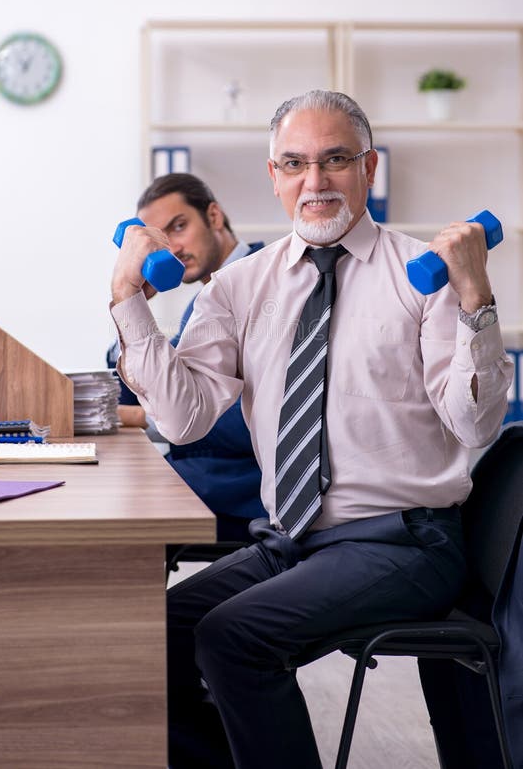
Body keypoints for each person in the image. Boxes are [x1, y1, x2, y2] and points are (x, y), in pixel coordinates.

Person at [109, 90, 513, 769]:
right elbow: (181, 420)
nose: (315, 182)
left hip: (401, 541)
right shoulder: (236, 288)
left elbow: (474, 421)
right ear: (273, 176)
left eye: (334, 161)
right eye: (294, 164)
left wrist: (475, 297)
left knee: (231, 637)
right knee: (141, 639)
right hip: (289, 539)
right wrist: (128, 303)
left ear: (368, 168)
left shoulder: (426, 280)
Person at [107, 172, 266, 542]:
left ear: (213, 216)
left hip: (245, 491)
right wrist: (131, 307)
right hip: (207, 478)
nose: (173, 248)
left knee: (121, 505)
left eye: (178, 227)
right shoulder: (204, 299)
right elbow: (140, 391)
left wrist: (144, 418)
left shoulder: (262, 283)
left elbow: (258, 416)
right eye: (159, 239)